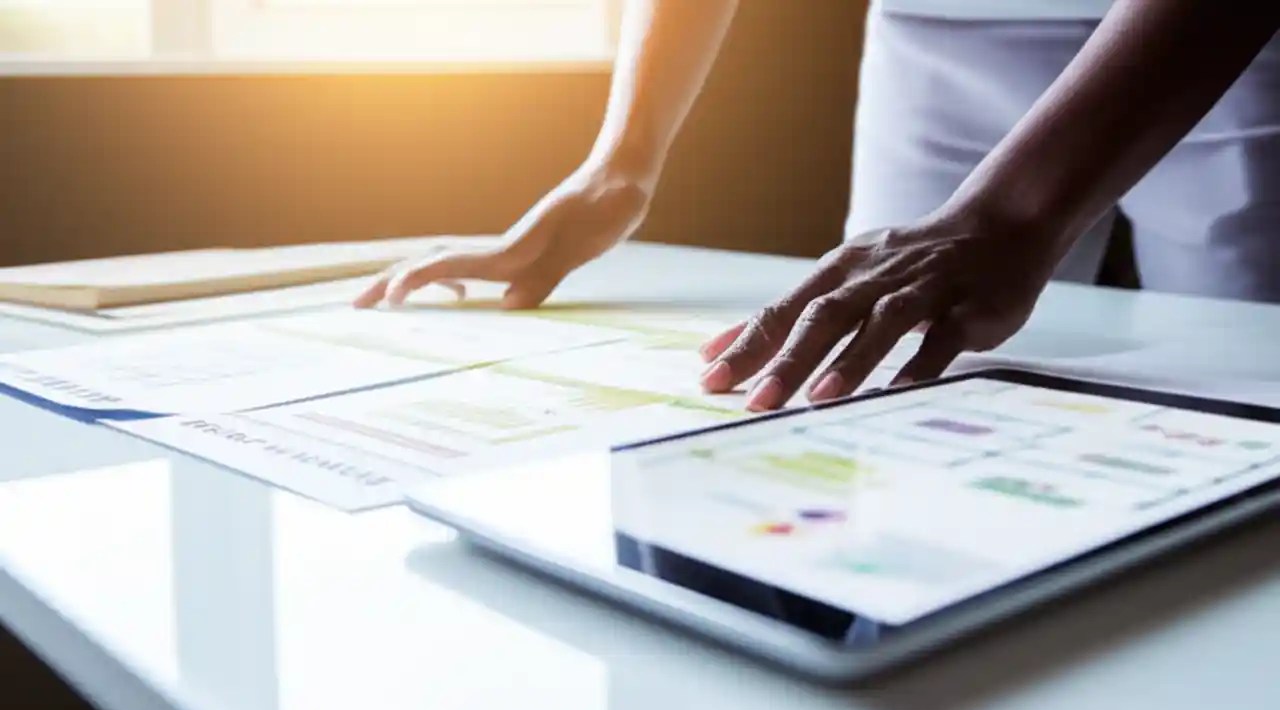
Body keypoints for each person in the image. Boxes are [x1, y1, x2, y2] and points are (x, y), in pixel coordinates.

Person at [355, 0, 1280, 413]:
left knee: (1247, 382)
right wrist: (620, 162)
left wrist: (1009, 217)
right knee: (884, 379)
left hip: (1205, 29)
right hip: (939, 23)